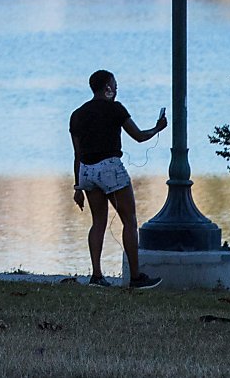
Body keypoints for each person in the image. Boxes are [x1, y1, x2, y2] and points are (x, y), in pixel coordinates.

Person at [69, 69, 166, 290]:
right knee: (130, 221)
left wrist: (77, 187)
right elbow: (140, 137)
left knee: (98, 223)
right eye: (114, 84)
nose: (116, 88)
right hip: (110, 168)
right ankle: (136, 278)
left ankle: (96, 276)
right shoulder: (115, 108)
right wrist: (158, 128)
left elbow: (77, 154)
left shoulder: (77, 114)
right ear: (107, 88)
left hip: (87, 171)